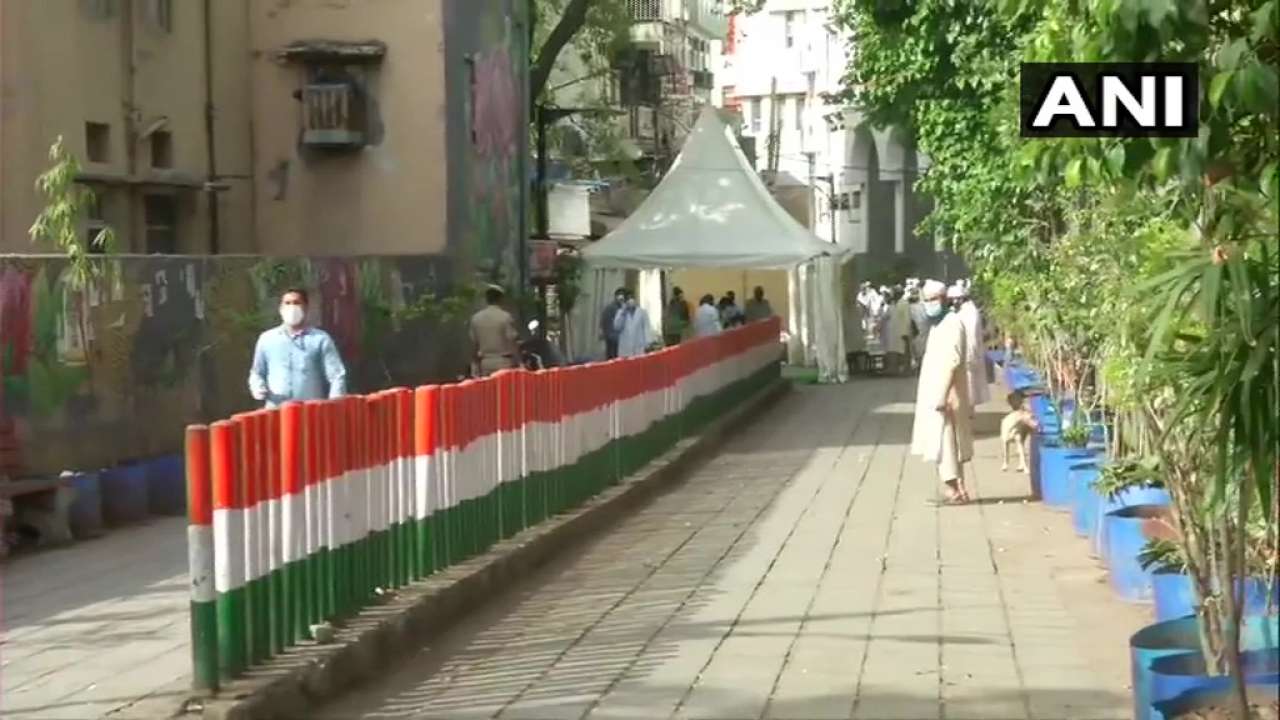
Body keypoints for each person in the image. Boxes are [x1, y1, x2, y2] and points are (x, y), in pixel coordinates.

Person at [910, 279, 974, 504]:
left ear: (944, 299)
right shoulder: (939, 324)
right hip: (936, 390)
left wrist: (943, 394)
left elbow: (952, 361)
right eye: (925, 300)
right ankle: (957, 488)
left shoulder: (952, 323)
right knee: (945, 442)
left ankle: (953, 490)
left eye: (933, 299)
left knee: (945, 443)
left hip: (945, 393)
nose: (929, 304)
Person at [248, 288, 347, 408]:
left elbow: (337, 375)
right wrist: (257, 387)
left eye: (296, 303)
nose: (292, 307)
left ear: (306, 307)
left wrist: (334, 405)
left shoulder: (320, 339)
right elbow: (257, 372)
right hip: (276, 411)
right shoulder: (267, 339)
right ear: (280, 308)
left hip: (310, 412)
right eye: (287, 303)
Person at [953, 282, 992, 406]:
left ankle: (969, 416)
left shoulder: (969, 313)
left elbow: (971, 337)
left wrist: (969, 357)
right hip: (968, 356)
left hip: (968, 357)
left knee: (969, 393)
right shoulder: (967, 311)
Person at [469, 285, 519, 376]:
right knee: (503, 389)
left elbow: (474, 344)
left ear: (486, 299)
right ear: (500, 299)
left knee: (488, 389)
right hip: (503, 362)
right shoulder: (505, 317)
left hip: (485, 362)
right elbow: (511, 341)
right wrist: (518, 361)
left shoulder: (476, 318)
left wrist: (475, 364)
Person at [613, 290, 654, 358]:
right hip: (625, 349)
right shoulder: (621, 312)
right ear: (626, 301)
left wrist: (648, 343)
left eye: (632, 298)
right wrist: (623, 312)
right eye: (628, 299)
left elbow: (647, 328)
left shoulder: (642, 312)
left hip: (639, 347)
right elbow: (617, 327)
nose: (631, 300)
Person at [887, 287, 914, 375]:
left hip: (902, 331)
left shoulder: (904, 303)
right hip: (893, 332)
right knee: (895, 351)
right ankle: (895, 369)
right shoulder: (892, 304)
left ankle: (907, 369)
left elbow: (907, 318)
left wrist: (906, 332)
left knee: (905, 351)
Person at [844, 289, 868, 375]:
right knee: (852, 352)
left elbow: (865, 309)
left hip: (854, 335)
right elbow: (865, 309)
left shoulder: (856, 308)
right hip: (852, 335)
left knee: (854, 352)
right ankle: (855, 368)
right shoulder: (850, 309)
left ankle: (856, 368)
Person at [600, 287, 626, 359]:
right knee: (613, 355)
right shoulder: (611, 308)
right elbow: (604, 321)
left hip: (614, 337)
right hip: (613, 337)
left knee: (612, 356)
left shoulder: (621, 308)